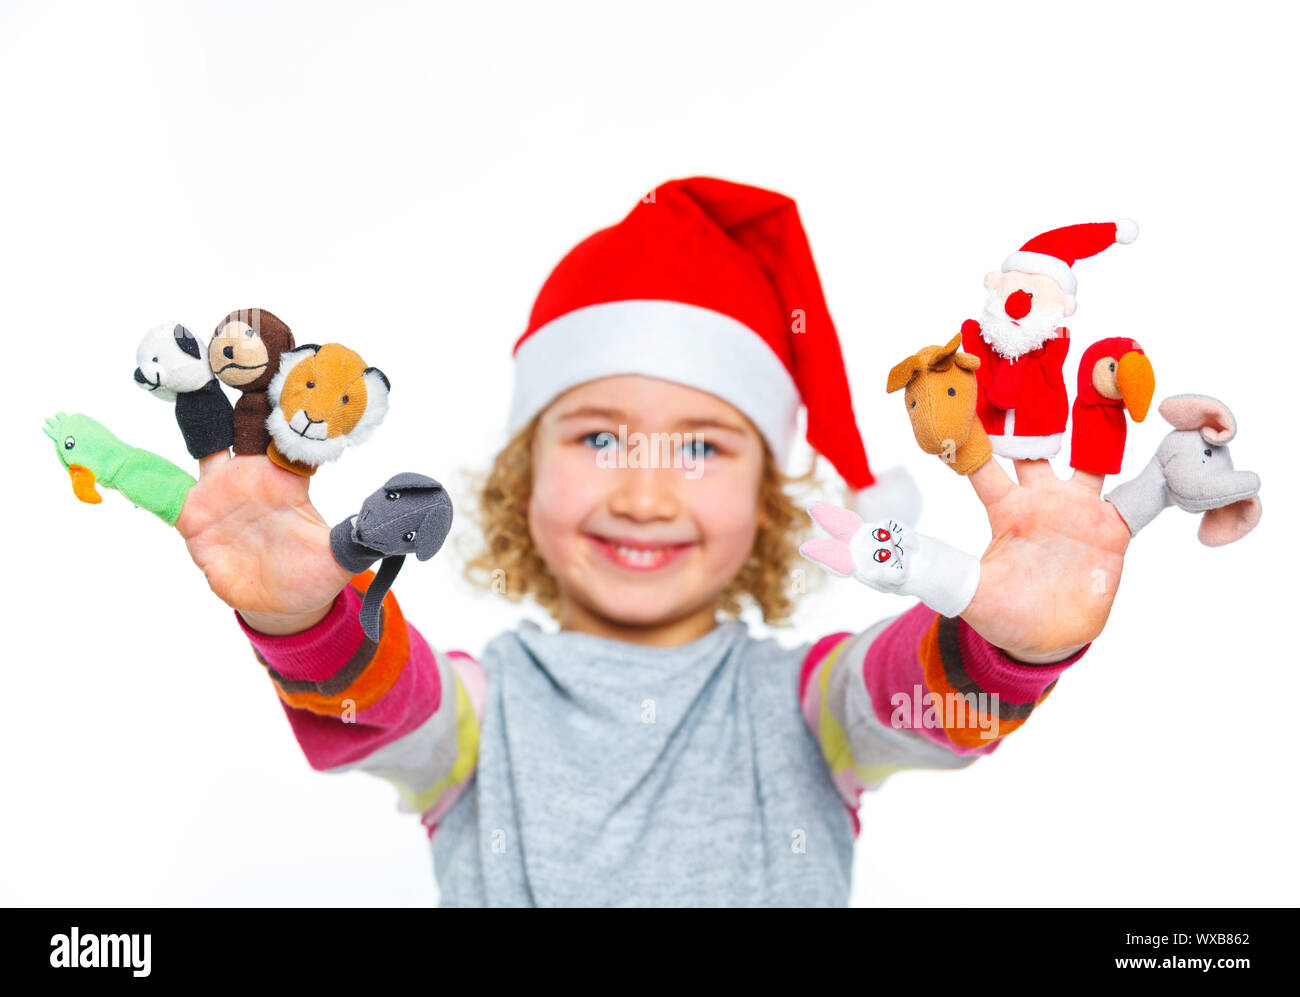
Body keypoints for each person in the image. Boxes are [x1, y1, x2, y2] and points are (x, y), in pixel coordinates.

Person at [175, 177, 1131, 906]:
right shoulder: (473, 718)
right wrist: (309, 614)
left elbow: (930, 703)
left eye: (701, 448)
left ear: (767, 499)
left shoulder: (812, 711)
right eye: (597, 436)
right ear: (524, 479)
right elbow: (377, 703)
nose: (641, 490)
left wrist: (1011, 642)